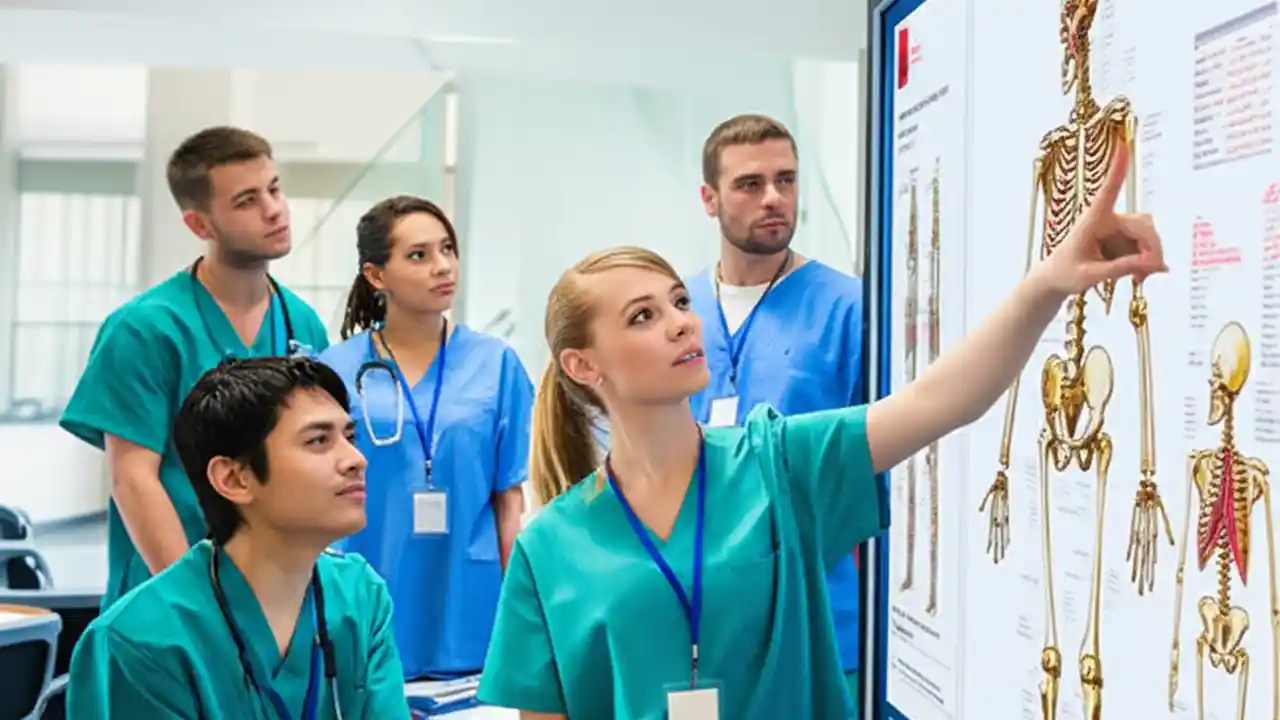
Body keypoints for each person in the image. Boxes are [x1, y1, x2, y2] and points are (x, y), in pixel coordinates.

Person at [477, 144, 1165, 718]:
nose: (681, 323)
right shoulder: (551, 546)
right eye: (642, 317)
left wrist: (1045, 286)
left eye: (680, 303)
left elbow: (943, 399)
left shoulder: (781, 462)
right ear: (582, 364)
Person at [58, 126, 331, 610]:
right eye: (247, 200)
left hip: (278, 593)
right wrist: (199, 601)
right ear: (199, 225)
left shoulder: (301, 323)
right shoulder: (145, 329)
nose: (274, 209)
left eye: (274, 188)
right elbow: (132, 478)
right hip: (173, 597)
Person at [66, 356, 410, 719]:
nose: (356, 459)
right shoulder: (141, 639)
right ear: (233, 479)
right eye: (319, 440)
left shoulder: (360, 595)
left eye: (350, 437)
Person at [685, 113, 868, 708]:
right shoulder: (676, 312)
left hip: (821, 614)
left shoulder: (850, 308)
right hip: (700, 616)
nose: (773, 199)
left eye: (786, 181)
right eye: (749, 184)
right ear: (709, 198)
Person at [319, 195, 533, 680]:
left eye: (448, 250)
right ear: (377, 276)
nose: (442, 267)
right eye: (419, 255)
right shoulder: (334, 370)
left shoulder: (496, 365)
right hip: (369, 587)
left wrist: (519, 615)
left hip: (468, 602)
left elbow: (508, 499)